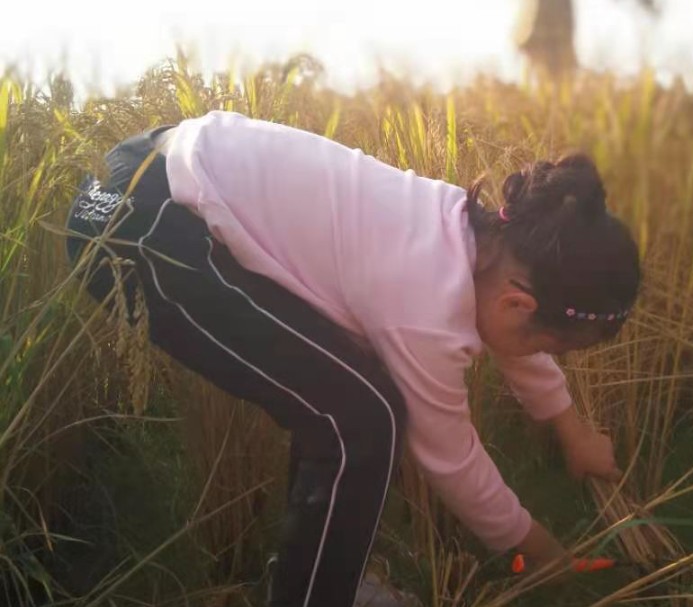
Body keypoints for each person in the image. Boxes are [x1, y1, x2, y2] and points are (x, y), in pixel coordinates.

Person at [64, 111, 642, 606]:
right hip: (133, 226)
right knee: (360, 421)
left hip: (151, 172)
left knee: (348, 401)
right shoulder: (424, 301)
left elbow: (518, 340)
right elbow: (451, 459)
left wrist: (574, 433)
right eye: (548, 344)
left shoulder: (468, 236)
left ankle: (313, 582)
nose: (539, 357)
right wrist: (541, 552)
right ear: (520, 301)